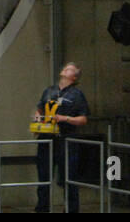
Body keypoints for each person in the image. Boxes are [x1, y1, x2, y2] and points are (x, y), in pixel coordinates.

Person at [32, 62, 89, 212]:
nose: (65, 69)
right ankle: (42, 208)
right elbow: (40, 109)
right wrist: (37, 119)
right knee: (43, 177)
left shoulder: (76, 95)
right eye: (65, 67)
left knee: (68, 178)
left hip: (66, 141)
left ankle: (71, 209)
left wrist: (65, 118)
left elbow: (83, 119)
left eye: (70, 69)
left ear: (74, 77)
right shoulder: (49, 91)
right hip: (46, 139)